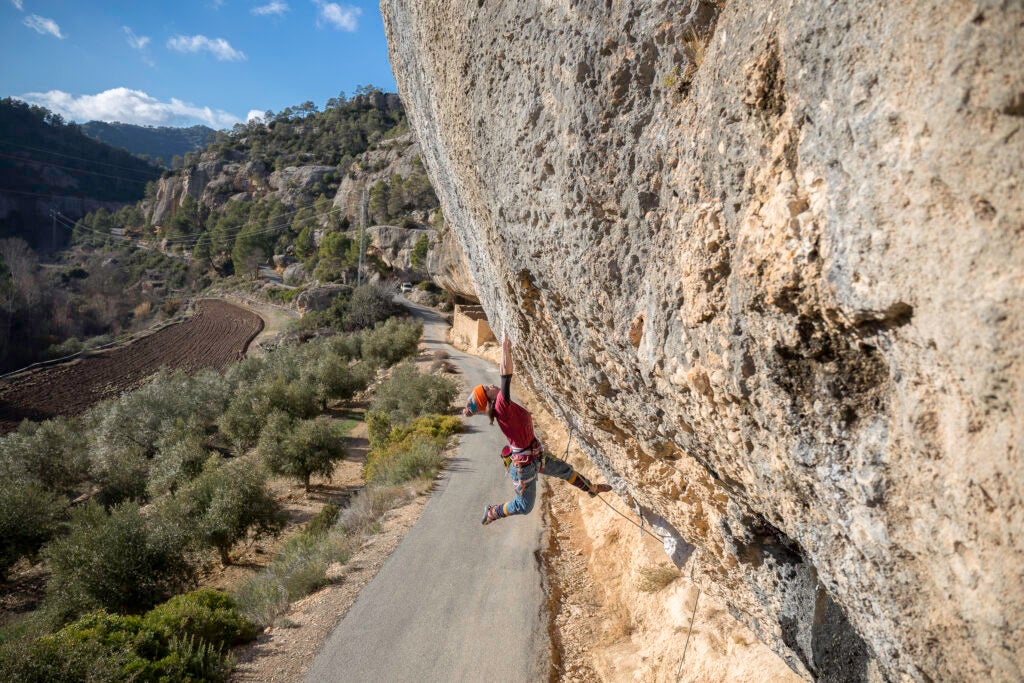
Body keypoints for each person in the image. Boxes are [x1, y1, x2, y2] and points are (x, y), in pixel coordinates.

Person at [463, 335, 612, 525]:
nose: (491, 386)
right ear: (489, 398)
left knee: (566, 470)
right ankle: (494, 511)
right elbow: (505, 375)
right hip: (523, 467)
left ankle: (591, 489)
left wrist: (469, 410)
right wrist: (504, 349)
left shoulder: (499, 407)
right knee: (524, 507)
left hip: (534, 457)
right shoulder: (501, 405)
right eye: (487, 388)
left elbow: (495, 389)